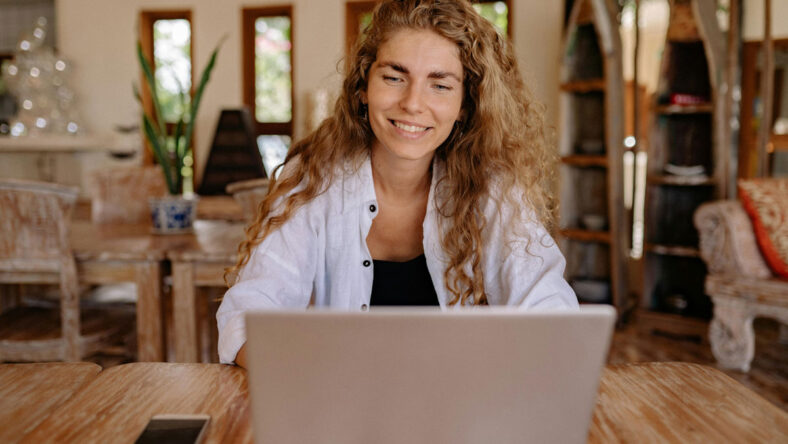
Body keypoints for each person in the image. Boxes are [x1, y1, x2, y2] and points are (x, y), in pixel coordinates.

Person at [217, 0, 578, 368]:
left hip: (459, 409)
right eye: (394, 77)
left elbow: (549, 310)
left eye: (439, 85)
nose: (412, 103)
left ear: (465, 106)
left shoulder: (492, 188)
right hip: (342, 408)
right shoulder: (312, 178)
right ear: (363, 87)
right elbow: (247, 315)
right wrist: (308, 374)